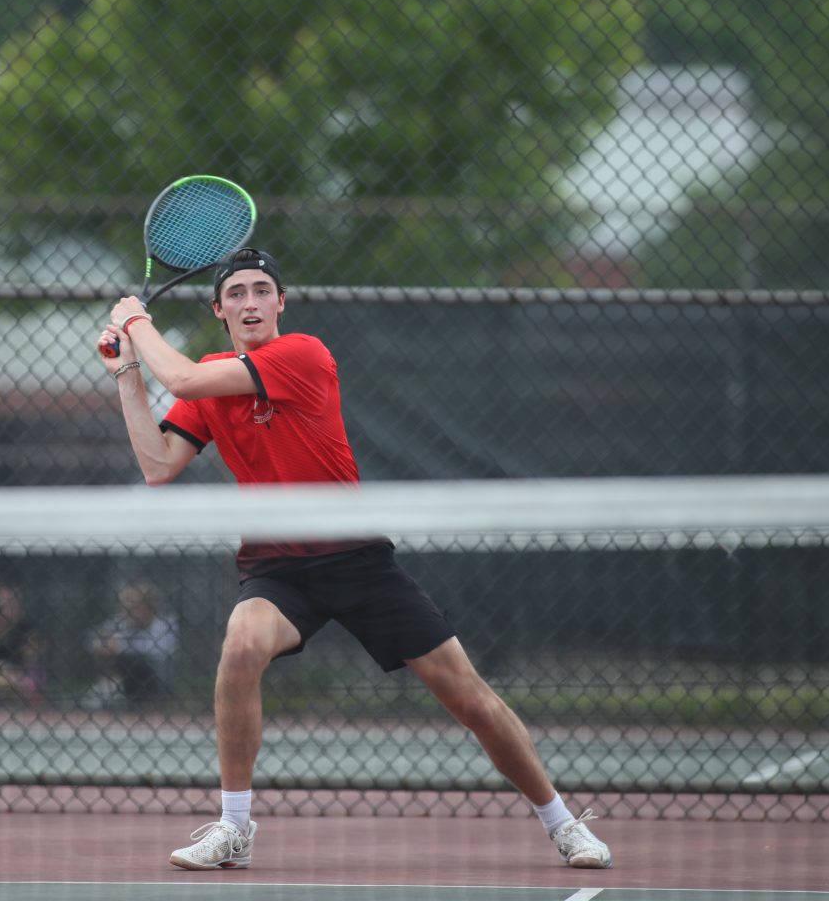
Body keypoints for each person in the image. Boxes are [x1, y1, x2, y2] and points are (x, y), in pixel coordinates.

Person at [97, 247, 612, 872]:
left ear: (281, 303)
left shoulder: (303, 355)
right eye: (236, 294)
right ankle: (233, 827)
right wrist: (127, 372)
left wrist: (135, 320)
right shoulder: (210, 377)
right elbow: (158, 465)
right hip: (277, 567)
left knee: (470, 700)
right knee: (240, 647)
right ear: (218, 310)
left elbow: (179, 380)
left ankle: (562, 823)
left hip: (355, 558)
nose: (251, 302)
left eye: (262, 290)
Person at [82, 578, 179, 709]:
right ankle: (110, 690)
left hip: (153, 677)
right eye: (123, 606)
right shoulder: (121, 622)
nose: (125, 611)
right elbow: (93, 639)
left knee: (127, 660)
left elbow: (157, 654)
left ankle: (111, 693)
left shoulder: (163, 624)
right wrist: (103, 643)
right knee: (112, 656)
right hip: (123, 673)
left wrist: (120, 647)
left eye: (133, 606)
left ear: (148, 607)